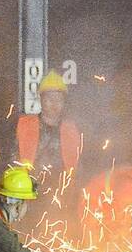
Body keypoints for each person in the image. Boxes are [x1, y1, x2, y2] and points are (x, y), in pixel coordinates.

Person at [11, 68, 83, 219]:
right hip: (30, 195)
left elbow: (78, 165)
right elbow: (13, 159)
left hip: (61, 197)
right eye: (50, 98)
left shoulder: (71, 130)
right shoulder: (25, 125)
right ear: (41, 99)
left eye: (59, 99)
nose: (54, 104)